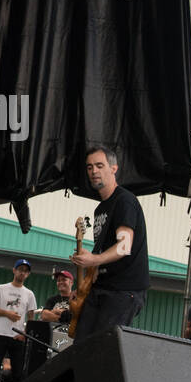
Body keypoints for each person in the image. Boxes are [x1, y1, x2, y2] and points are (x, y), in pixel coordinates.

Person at [69, 146, 149, 340]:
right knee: (81, 346)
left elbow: (124, 246)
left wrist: (94, 259)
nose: (94, 171)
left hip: (123, 290)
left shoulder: (124, 201)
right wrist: (83, 285)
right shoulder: (100, 209)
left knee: (102, 349)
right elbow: (104, 256)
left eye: (99, 165)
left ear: (114, 168)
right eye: (89, 167)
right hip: (101, 288)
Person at [0, 259, 38, 382]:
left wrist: (25, 334)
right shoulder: (1, 288)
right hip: (1, 334)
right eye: (20, 269)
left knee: (17, 372)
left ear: (28, 275)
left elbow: (31, 317)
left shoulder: (29, 294)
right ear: (14, 270)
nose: (22, 272)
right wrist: (7, 314)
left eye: (25, 271)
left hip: (17, 337)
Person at [27, 268, 73, 377]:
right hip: (52, 339)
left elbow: (74, 316)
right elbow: (44, 315)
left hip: (70, 338)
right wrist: (64, 316)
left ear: (71, 282)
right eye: (58, 280)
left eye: (64, 280)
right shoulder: (52, 299)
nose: (60, 282)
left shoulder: (76, 298)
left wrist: (55, 312)